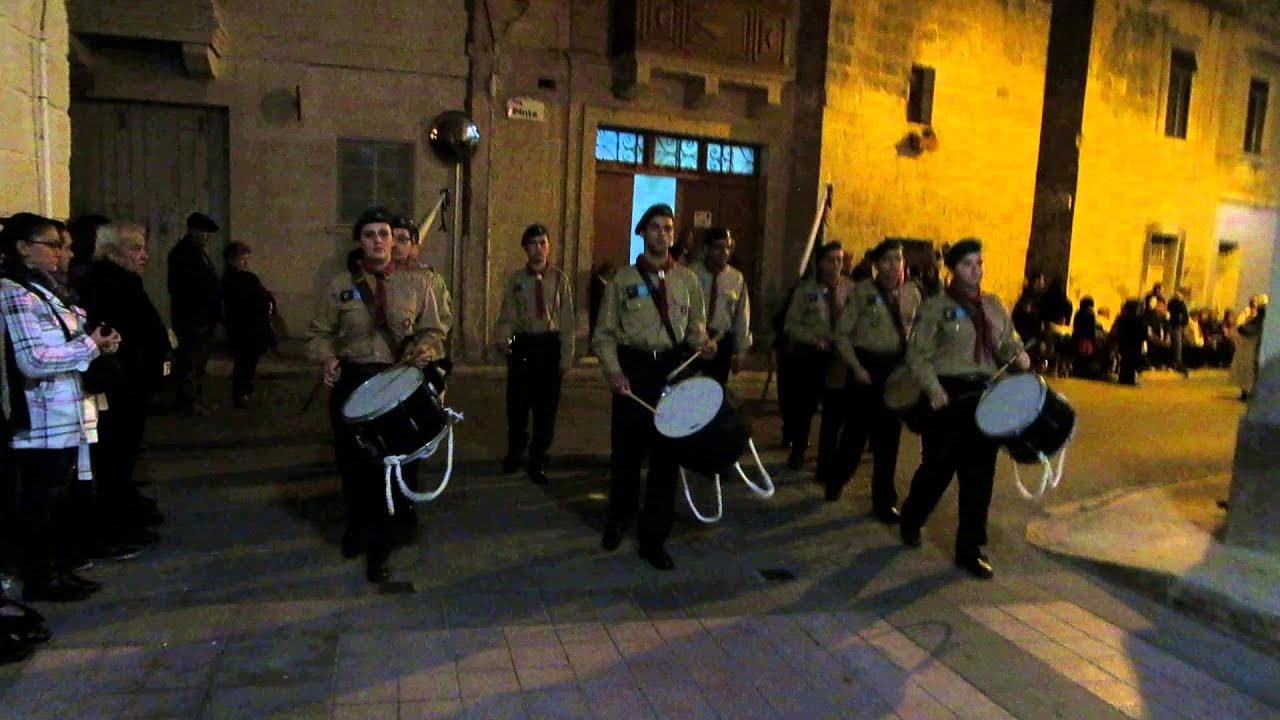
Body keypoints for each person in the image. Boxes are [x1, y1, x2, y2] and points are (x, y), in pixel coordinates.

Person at [306, 207, 452, 583]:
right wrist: (326, 359)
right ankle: (357, 526)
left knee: (394, 463)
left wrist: (424, 351)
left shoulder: (417, 283)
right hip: (353, 380)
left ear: (393, 238)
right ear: (359, 241)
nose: (378, 240)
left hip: (396, 381)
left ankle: (382, 543)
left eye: (384, 233)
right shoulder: (339, 284)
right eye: (369, 234)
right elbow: (318, 333)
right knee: (353, 465)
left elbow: (434, 330)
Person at [1, 213, 120, 601]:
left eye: (62, 245)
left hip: (64, 412)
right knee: (40, 503)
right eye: (50, 244)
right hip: (40, 419)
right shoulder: (13, 291)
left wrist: (99, 342)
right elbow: (32, 359)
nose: (59, 253)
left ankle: (59, 569)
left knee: (59, 502)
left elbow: (67, 341)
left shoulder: (47, 290)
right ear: (22, 247)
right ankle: (41, 578)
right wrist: (89, 346)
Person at [898, 238, 1029, 580]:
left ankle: (969, 548)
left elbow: (1006, 341)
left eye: (980, 263)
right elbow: (918, 355)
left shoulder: (994, 305)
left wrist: (1018, 354)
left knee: (979, 476)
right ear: (953, 269)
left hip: (985, 395)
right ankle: (912, 516)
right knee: (938, 469)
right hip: (948, 395)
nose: (977, 269)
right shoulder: (936, 307)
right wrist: (933, 388)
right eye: (970, 264)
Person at [593, 203, 713, 571]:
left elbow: (696, 327)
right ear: (642, 233)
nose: (663, 233)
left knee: (666, 459)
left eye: (669, 228)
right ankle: (618, 520)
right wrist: (614, 372)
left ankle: (654, 537)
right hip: (635, 370)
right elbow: (604, 335)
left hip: (673, 371)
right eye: (656, 227)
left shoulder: (688, 280)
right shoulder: (622, 281)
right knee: (627, 454)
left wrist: (704, 343)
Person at [75, 221, 172, 555]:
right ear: (113, 251)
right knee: (114, 453)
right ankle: (113, 522)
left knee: (124, 451)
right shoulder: (106, 283)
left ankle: (124, 508)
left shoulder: (121, 280)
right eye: (136, 248)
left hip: (130, 382)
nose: (144, 255)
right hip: (119, 384)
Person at [829, 240, 921, 520]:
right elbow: (842, 335)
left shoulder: (912, 294)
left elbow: (915, 331)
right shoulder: (862, 293)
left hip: (894, 370)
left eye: (899, 259)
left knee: (888, 440)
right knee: (855, 436)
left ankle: (883, 501)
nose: (895, 265)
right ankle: (837, 479)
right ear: (876, 265)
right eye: (888, 260)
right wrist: (856, 368)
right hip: (866, 368)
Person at [492, 224, 575, 486]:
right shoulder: (516, 280)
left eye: (543, 243)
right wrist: (503, 339)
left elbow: (568, 321)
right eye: (533, 244)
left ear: (549, 247)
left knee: (546, 409)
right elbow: (508, 315)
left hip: (549, 347)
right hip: (524, 346)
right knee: (517, 405)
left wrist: (566, 356)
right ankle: (515, 450)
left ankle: (538, 458)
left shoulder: (560, 279)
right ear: (525, 248)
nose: (538, 249)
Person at [782, 241, 852, 471]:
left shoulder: (850, 290)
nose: (836, 265)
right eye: (831, 260)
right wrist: (814, 340)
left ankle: (826, 459)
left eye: (840, 260)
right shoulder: (805, 291)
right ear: (821, 263)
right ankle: (799, 450)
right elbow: (791, 325)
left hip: (839, 359)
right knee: (804, 409)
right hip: (811, 357)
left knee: (834, 413)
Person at [167, 212, 222, 415]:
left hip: (202, 317)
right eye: (204, 232)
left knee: (198, 363)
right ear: (193, 231)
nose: (207, 237)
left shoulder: (198, 253)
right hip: (192, 318)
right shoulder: (182, 254)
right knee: (189, 362)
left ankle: (195, 399)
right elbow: (184, 287)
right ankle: (189, 402)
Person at [692, 227, 752, 384]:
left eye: (728, 247)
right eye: (719, 247)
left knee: (716, 392)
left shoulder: (736, 278)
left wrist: (741, 350)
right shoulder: (691, 273)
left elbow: (741, 316)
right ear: (706, 249)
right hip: (694, 341)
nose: (725, 252)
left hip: (721, 342)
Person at [221, 242, 276, 408]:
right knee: (244, 364)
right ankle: (242, 395)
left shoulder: (245, 278)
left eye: (246, 259)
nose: (246, 262)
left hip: (251, 328)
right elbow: (249, 302)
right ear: (232, 260)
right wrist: (264, 304)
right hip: (245, 329)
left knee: (248, 363)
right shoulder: (235, 280)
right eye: (242, 259)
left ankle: (246, 393)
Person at [1113, 299, 1147, 386]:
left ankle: (1123, 378)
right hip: (1135, 345)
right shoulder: (1139, 319)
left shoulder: (1123, 319)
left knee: (1125, 362)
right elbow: (1144, 333)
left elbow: (1118, 332)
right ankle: (1130, 380)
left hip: (1124, 344)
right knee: (1131, 364)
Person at [1167, 288, 1190, 375]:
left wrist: (1184, 324)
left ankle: (1176, 362)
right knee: (1175, 345)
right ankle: (1175, 362)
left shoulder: (1182, 304)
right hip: (1173, 325)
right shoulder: (1174, 302)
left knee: (1177, 345)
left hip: (1179, 326)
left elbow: (1185, 316)